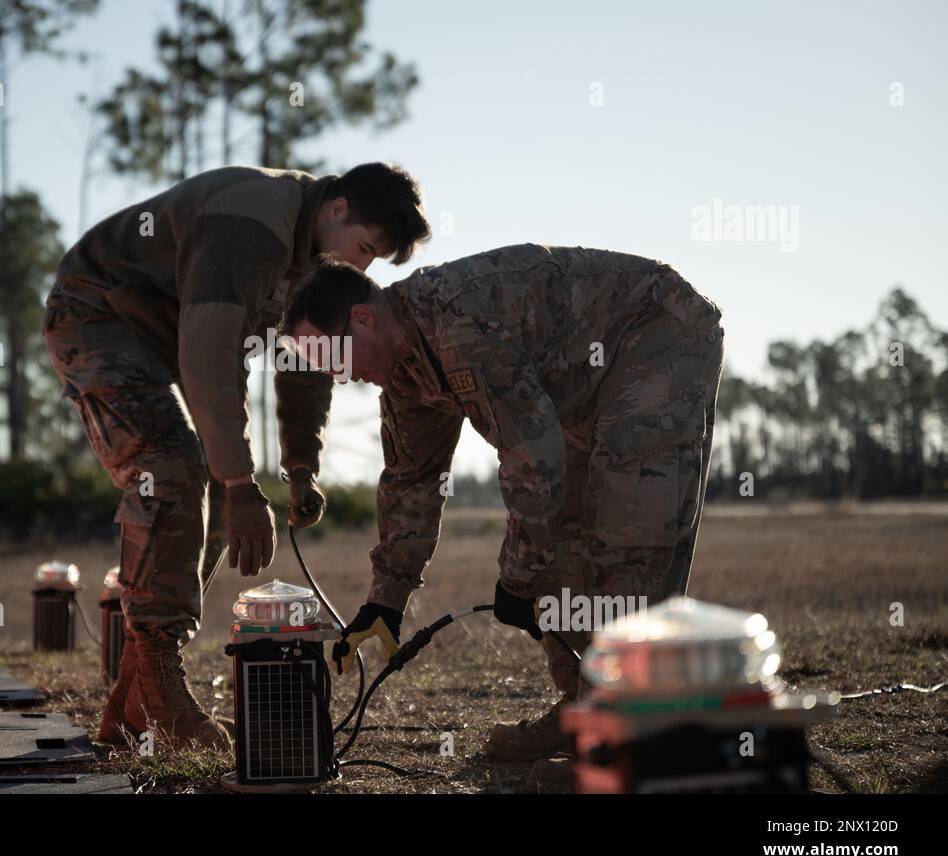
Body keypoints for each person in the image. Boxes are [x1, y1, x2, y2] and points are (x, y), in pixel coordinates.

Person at [281, 244, 724, 767]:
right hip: (583, 392)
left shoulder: (461, 325)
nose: (339, 377)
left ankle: (635, 737)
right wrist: (386, 599)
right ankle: (589, 708)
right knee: (560, 545)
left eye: (334, 358)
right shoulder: (402, 374)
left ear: (363, 319)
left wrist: (516, 580)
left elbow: (533, 460)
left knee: (630, 537)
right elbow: (412, 482)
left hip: (655, 331)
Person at [43, 163, 430, 750]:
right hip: (97, 313)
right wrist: (243, 483)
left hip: (160, 336)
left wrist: (299, 467)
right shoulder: (251, 220)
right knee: (171, 469)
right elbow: (210, 355)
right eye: (364, 248)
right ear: (337, 208)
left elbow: (306, 358)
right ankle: (161, 687)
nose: (362, 268)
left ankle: (136, 701)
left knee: (220, 497)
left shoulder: (315, 262)